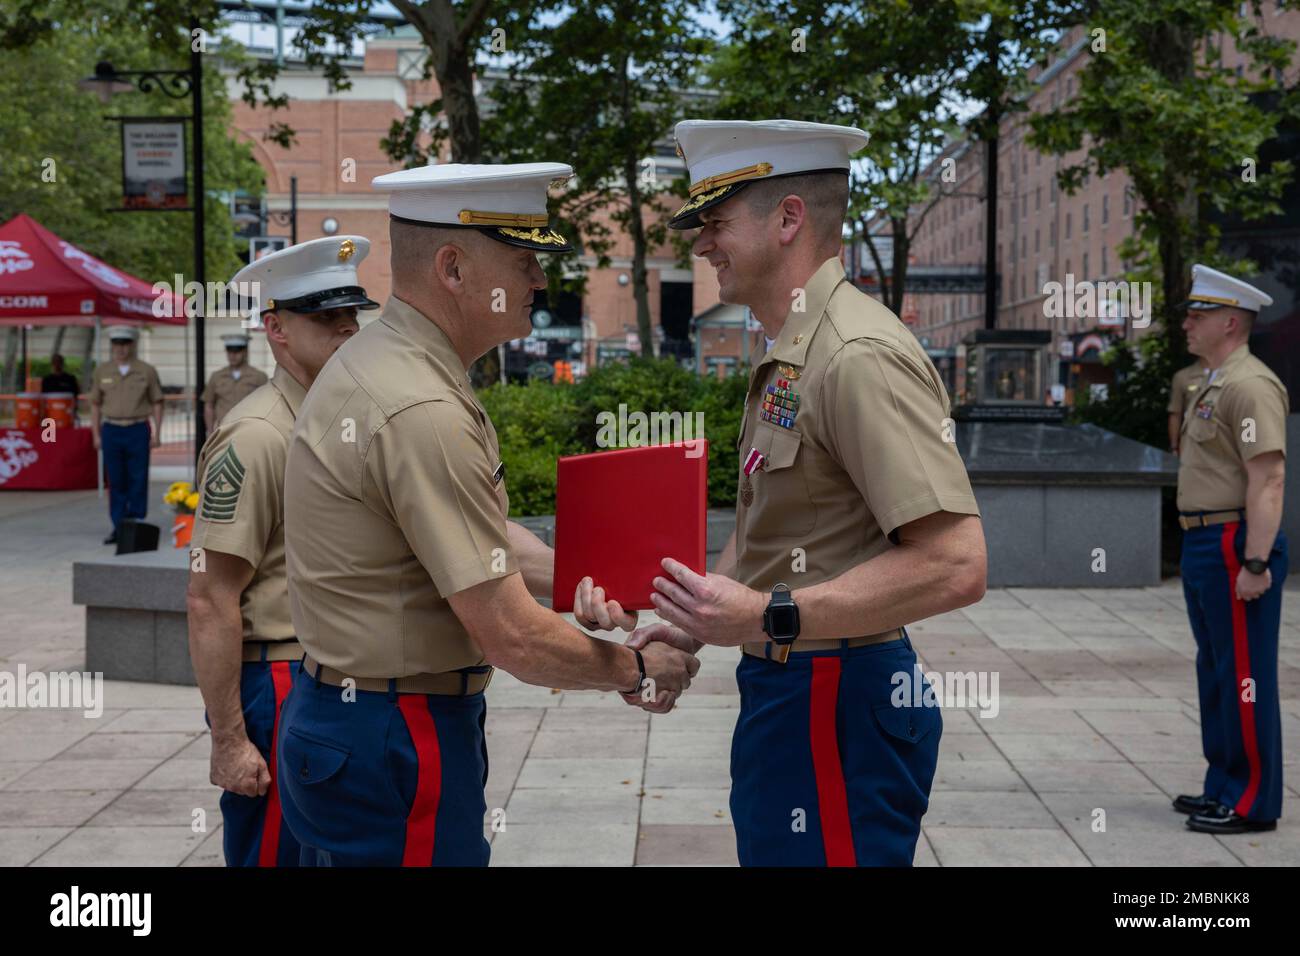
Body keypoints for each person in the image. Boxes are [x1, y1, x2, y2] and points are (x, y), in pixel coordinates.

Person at [278, 162, 699, 867]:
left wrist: (597, 576)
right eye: (524, 258)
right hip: (397, 735)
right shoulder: (419, 406)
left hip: (361, 722)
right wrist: (638, 667)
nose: (539, 280)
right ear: (453, 267)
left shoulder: (393, 364)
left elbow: (469, 535)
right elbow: (512, 636)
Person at [624, 119, 988, 866]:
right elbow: (769, 530)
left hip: (836, 700)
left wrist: (767, 613)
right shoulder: (795, 348)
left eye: (716, 222)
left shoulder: (856, 355)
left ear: (789, 218)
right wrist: (693, 623)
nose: (701, 244)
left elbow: (956, 565)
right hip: (797, 691)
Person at [186, 236, 378, 867]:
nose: (347, 329)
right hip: (279, 679)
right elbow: (211, 598)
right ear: (276, 329)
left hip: (340, 680)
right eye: (325, 318)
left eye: (352, 315)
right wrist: (229, 739)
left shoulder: (340, 418)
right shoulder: (258, 434)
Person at [1172, 263, 1287, 835]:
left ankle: (1251, 800)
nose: (1188, 322)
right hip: (1203, 540)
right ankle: (1223, 783)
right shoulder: (1212, 381)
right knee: (1218, 670)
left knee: (1245, 673)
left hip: (1232, 541)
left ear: (1232, 323)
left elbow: (1267, 479)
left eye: (1201, 314)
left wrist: (1256, 562)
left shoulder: (1248, 385)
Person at [89, 326, 164, 545]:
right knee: (116, 479)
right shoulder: (102, 371)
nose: (120, 349)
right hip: (112, 429)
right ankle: (119, 526)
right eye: (116, 344)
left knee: (138, 478)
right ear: (111, 346)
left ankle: (137, 522)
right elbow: (95, 404)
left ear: (131, 345)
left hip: (137, 428)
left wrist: (158, 433)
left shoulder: (146, 370)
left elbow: (157, 402)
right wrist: (96, 434)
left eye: (124, 344)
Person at [203, 333, 268, 431]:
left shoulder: (259, 376)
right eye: (229, 351)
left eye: (237, 351)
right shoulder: (216, 376)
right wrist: (210, 433)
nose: (232, 355)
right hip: (223, 430)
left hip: (249, 430)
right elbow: (209, 406)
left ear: (245, 352)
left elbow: (266, 405)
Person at [1168, 360, 1206, 455]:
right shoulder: (1183, 376)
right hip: (1193, 444)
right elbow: (1175, 413)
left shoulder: (1236, 373)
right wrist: (1174, 447)